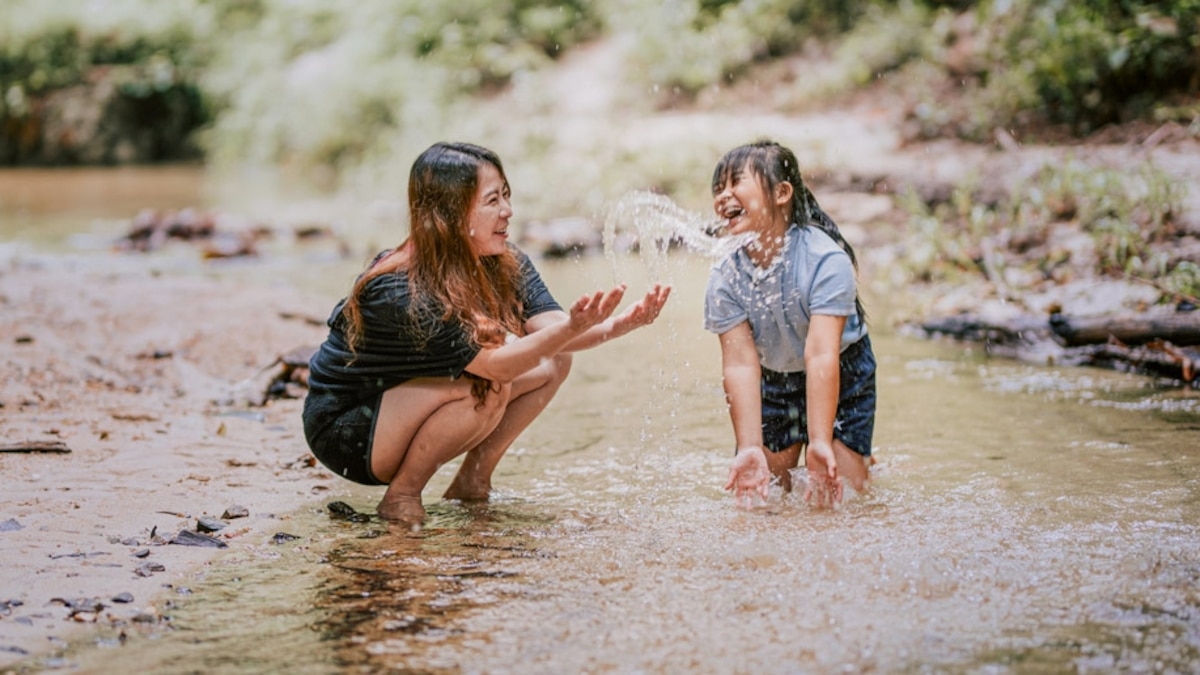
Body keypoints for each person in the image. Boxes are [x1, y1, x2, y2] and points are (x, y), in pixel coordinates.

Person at [302, 141, 671, 525]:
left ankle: (472, 483)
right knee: (488, 384)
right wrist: (575, 327)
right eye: (493, 200)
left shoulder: (502, 260)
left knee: (556, 357)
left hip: (403, 407)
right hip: (347, 429)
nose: (508, 211)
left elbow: (554, 332)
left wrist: (617, 325)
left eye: (507, 196)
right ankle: (402, 497)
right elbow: (496, 367)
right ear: (451, 213)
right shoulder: (399, 288)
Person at [703, 140, 875, 509]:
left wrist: (819, 441)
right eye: (718, 188)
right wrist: (749, 447)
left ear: (782, 192)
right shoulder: (725, 275)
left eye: (736, 183)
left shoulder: (825, 260)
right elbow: (739, 364)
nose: (724, 196)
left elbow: (821, 354)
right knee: (768, 495)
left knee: (843, 496)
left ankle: (856, 456)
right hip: (774, 377)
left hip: (839, 369)